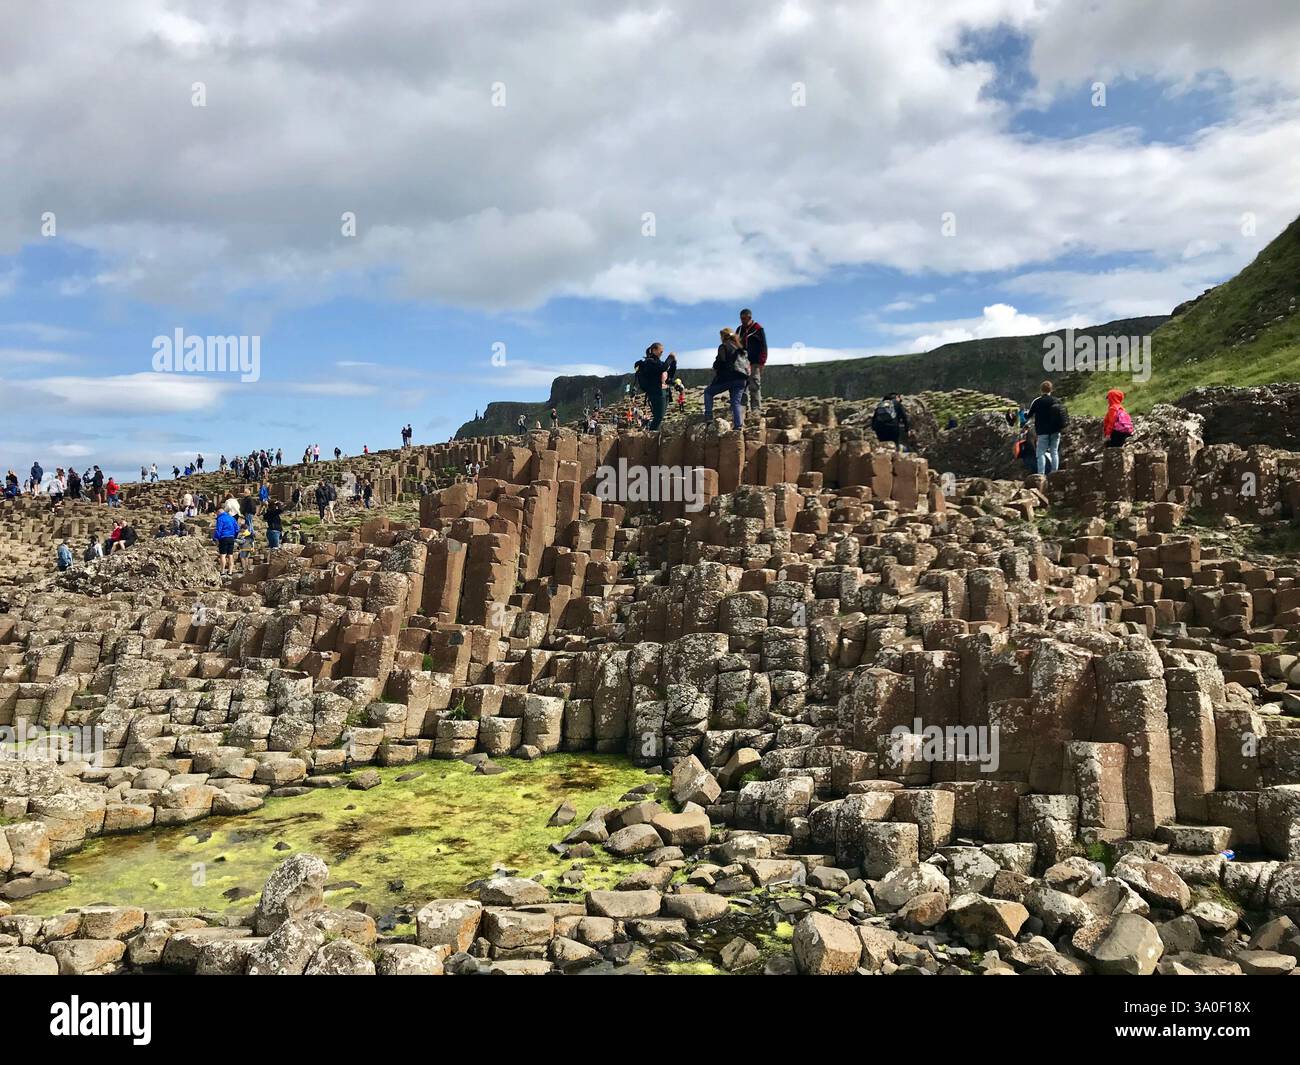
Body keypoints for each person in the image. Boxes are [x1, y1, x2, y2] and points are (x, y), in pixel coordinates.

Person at [702, 328, 749, 430]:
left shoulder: (723, 346)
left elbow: (721, 362)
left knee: (708, 392)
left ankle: (709, 417)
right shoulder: (741, 349)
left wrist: (715, 363)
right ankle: (738, 426)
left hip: (728, 378)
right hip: (742, 379)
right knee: (736, 402)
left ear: (722, 337)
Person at [1027, 380, 1068, 475]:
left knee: (1040, 453)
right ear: (1051, 390)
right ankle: (1055, 473)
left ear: (1041, 390)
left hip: (1042, 431)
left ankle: (1041, 474)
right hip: (1056, 430)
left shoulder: (1037, 402)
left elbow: (1028, 415)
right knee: (1054, 451)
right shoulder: (1056, 400)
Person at [738, 308, 768, 416]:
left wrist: (762, 362)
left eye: (744, 318)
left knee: (754, 385)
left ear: (749, 318)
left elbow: (763, 346)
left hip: (755, 362)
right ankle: (742, 408)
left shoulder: (758, 329)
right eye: (741, 319)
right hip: (742, 363)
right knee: (742, 386)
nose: (742, 321)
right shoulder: (739, 330)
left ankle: (756, 409)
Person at [634, 343, 670, 431]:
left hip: (664, 391)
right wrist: (671, 358)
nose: (662, 352)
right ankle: (651, 437)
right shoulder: (650, 362)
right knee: (658, 417)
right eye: (660, 350)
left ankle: (653, 434)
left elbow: (668, 372)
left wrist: (674, 363)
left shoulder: (658, 362)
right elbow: (663, 368)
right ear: (654, 350)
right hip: (656, 392)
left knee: (660, 417)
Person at [213, 502, 239, 575]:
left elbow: (219, 529)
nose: (216, 515)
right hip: (231, 537)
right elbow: (237, 528)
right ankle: (230, 571)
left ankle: (222, 571)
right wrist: (235, 536)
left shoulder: (220, 519)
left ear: (218, 511)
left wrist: (215, 538)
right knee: (230, 554)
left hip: (224, 537)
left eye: (216, 513)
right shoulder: (232, 518)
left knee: (223, 555)